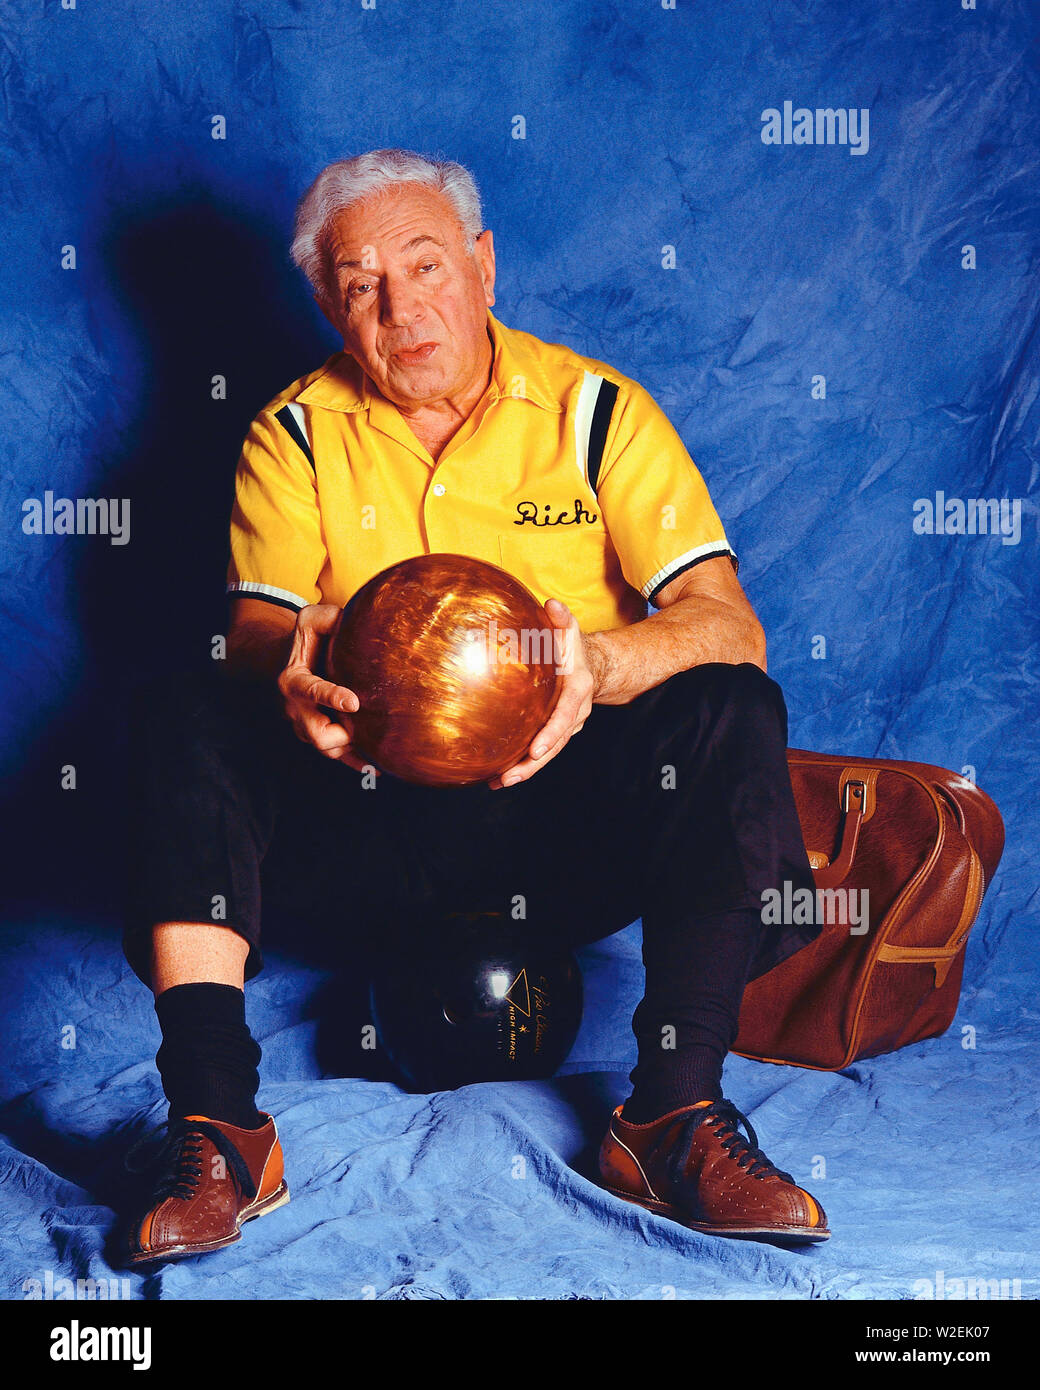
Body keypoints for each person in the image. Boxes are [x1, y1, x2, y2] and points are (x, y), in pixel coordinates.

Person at [122, 148, 829, 1266]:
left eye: (425, 265)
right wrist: (288, 664)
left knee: (730, 699)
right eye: (361, 284)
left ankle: (670, 1117)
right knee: (188, 703)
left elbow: (725, 619)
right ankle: (218, 1126)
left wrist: (593, 665)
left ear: (483, 266)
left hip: (560, 823)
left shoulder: (597, 414)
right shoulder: (290, 432)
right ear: (328, 304)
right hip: (362, 821)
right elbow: (253, 626)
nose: (402, 308)